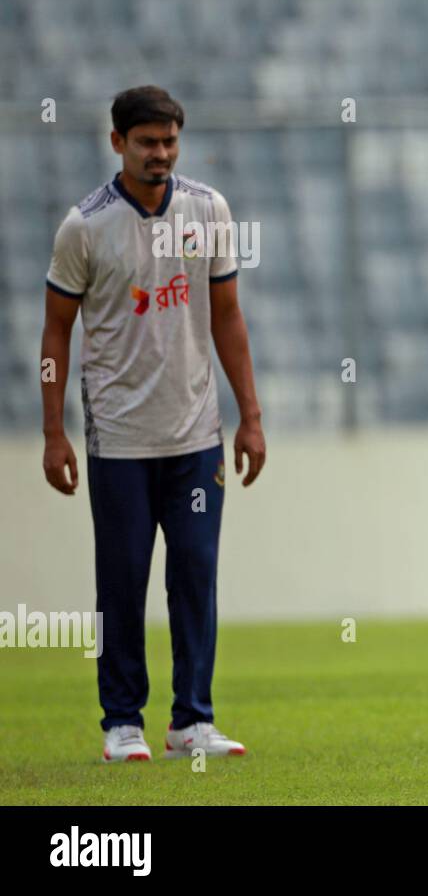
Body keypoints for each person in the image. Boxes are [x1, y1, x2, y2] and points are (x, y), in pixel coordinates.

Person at [41, 85, 266, 762]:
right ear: (117, 143)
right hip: (118, 439)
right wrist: (54, 432)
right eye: (147, 142)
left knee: (195, 571)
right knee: (124, 577)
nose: (161, 154)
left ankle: (192, 719)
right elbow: (56, 333)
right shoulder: (85, 225)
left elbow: (227, 316)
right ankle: (122, 722)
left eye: (170, 141)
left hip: (197, 438)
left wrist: (250, 417)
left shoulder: (208, 209)